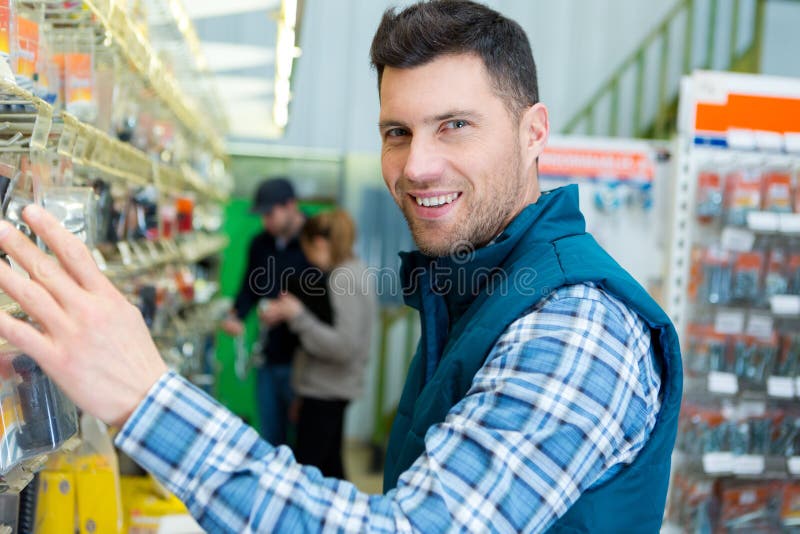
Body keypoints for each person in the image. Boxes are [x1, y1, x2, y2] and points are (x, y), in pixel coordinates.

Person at [0, 1, 682, 532]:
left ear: (535, 132)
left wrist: (143, 395)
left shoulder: (576, 325)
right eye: (397, 133)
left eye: (455, 126)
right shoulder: (472, 291)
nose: (417, 166)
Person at [262, 209, 377, 479]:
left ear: (320, 244)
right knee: (330, 471)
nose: (309, 260)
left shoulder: (343, 277)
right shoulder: (353, 270)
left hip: (327, 393)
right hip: (327, 390)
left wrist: (297, 316)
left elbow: (342, 346)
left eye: (308, 251)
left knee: (309, 478)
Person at [219, 176, 330, 445]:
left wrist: (292, 311)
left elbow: (333, 298)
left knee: (307, 443)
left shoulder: (318, 241)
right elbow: (249, 287)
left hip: (307, 362)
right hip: (269, 357)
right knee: (271, 439)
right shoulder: (260, 244)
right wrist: (236, 315)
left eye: (270, 213)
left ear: (291, 205)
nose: (265, 221)